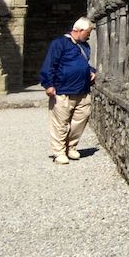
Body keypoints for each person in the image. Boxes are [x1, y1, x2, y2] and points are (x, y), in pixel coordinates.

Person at [39, 16, 98, 164]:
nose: (89, 35)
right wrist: (48, 85)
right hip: (63, 91)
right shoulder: (59, 44)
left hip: (82, 91)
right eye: (88, 32)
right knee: (60, 123)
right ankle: (59, 152)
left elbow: (83, 64)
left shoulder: (85, 46)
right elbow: (50, 64)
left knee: (80, 119)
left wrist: (91, 71)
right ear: (79, 30)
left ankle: (71, 147)